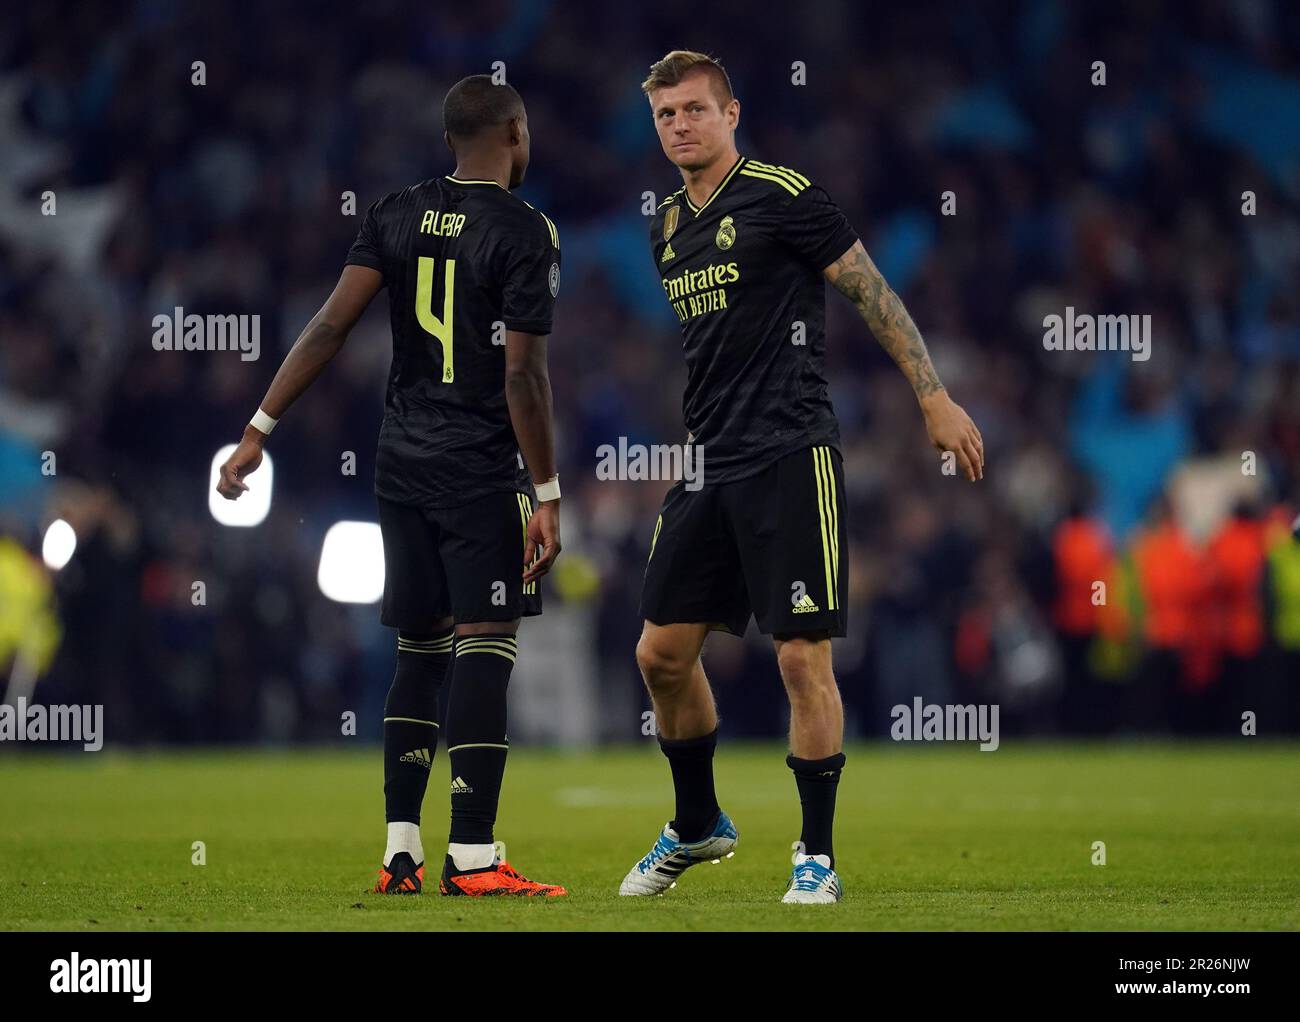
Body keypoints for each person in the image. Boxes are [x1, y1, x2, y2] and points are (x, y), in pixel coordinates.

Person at [621, 51, 983, 904]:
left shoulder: (784, 195)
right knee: (660, 656)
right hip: (707, 460)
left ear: (731, 112)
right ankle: (699, 824)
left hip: (791, 452)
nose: (679, 125)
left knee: (799, 659)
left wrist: (934, 398)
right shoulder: (666, 223)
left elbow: (871, 292)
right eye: (665, 114)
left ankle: (815, 855)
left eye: (694, 109)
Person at [215, 75, 566, 897]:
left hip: (400, 465)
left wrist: (256, 431)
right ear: (515, 132)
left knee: (418, 648)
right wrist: (546, 490)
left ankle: (400, 851)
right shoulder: (525, 229)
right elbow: (525, 378)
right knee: (485, 643)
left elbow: (331, 324)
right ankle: (475, 859)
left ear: (450, 139)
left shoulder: (395, 210)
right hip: (480, 468)